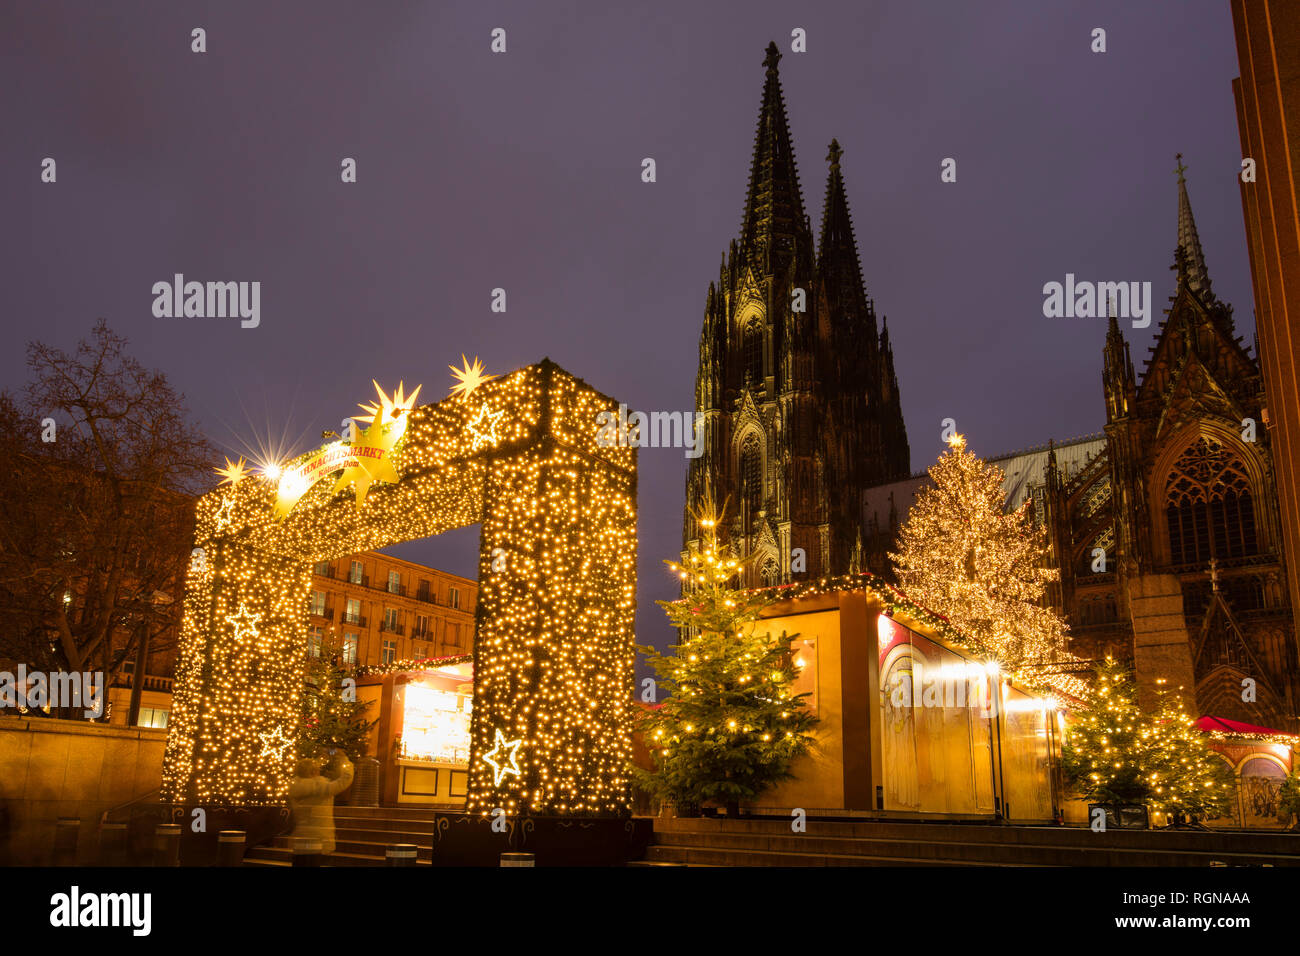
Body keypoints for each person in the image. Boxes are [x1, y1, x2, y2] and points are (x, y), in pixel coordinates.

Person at [288, 752, 354, 856]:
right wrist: (344, 759)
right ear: (314, 771)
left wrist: (320, 758)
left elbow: (307, 772)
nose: (320, 771)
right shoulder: (322, 788)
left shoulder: (295, 787)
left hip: (300, 837)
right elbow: (346, 778)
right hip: (320, 839)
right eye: (317, 769)